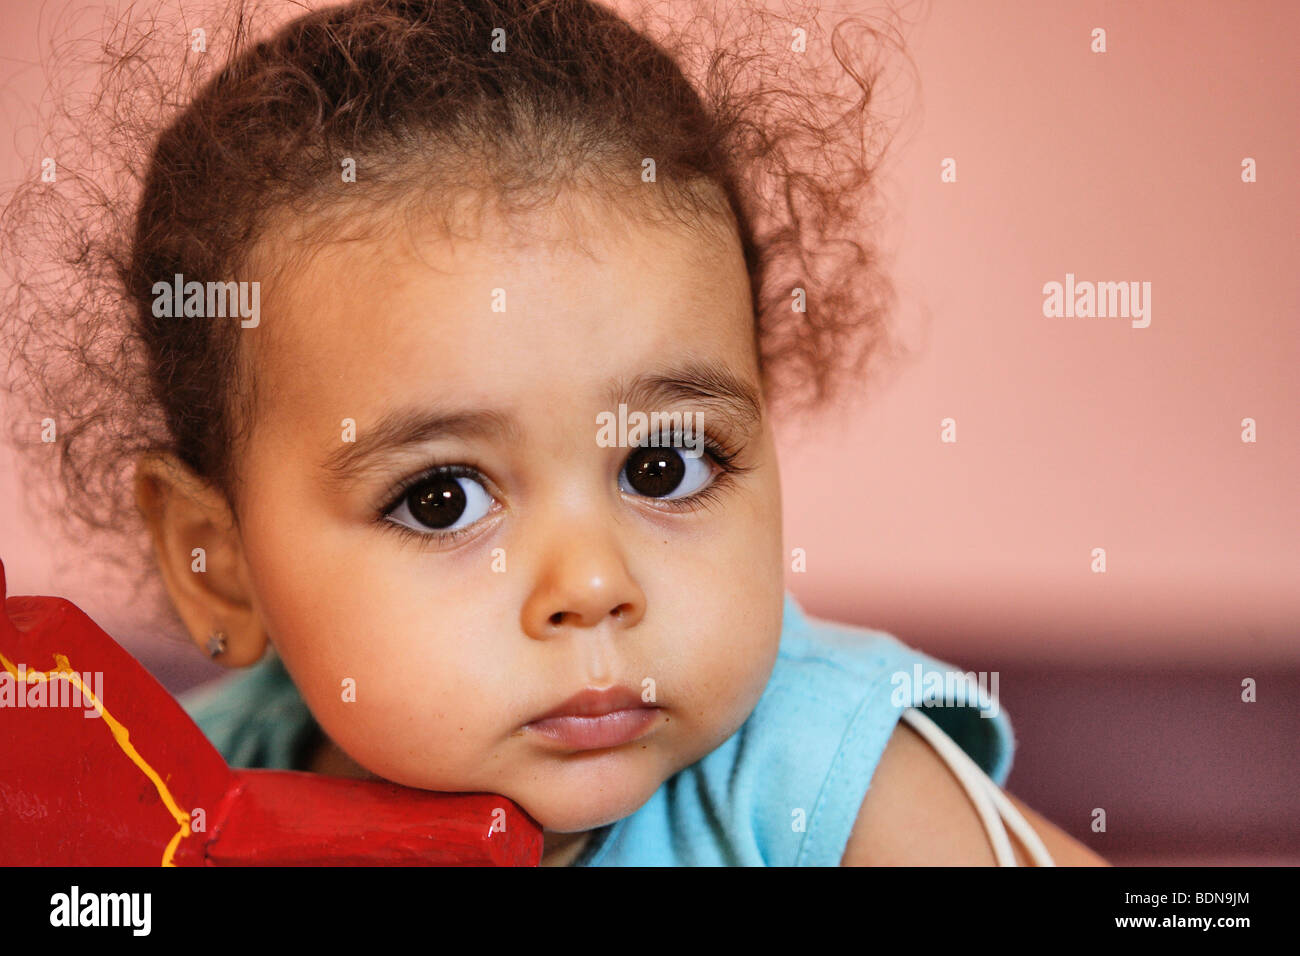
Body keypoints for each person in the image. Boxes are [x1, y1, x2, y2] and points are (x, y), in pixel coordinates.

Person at [1, 0, 1105, 866]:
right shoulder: (180, 791)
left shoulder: (821, 783)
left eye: (663, 465)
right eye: (442, 496)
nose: (593, 583)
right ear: (219, 563)